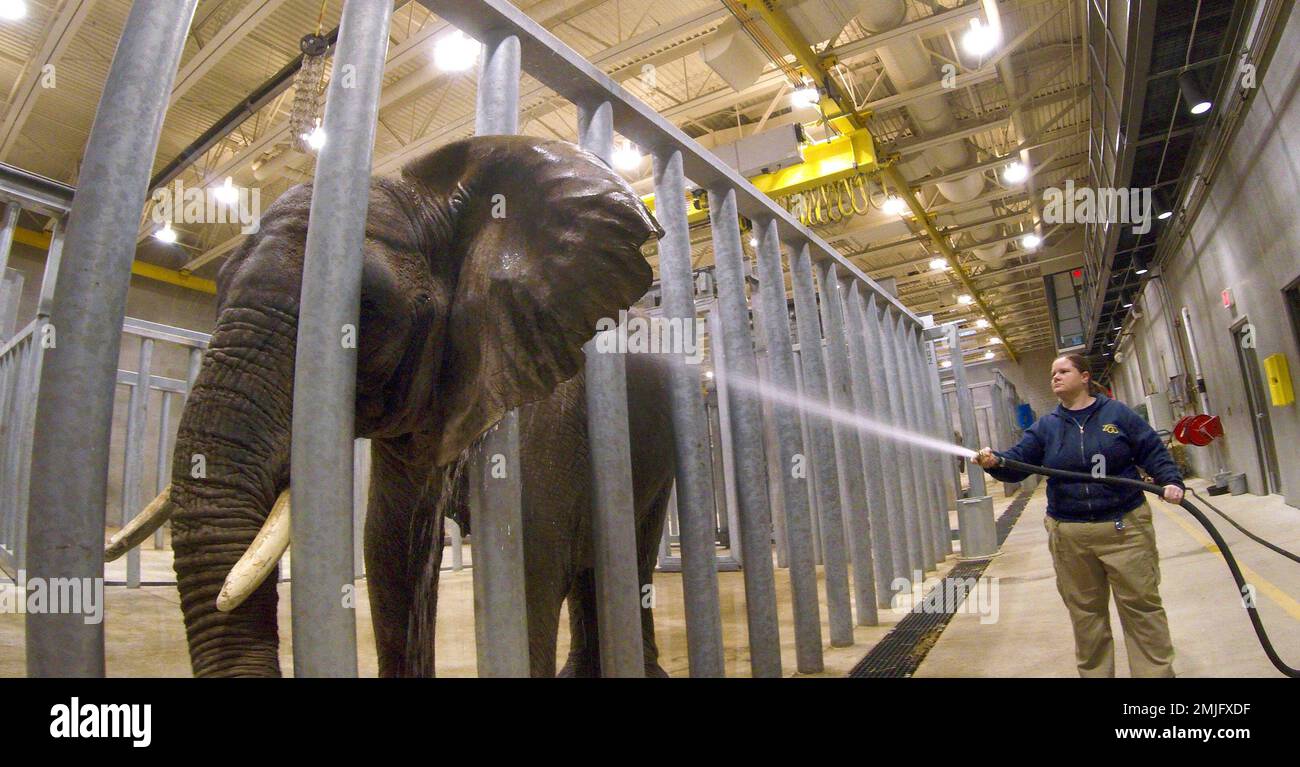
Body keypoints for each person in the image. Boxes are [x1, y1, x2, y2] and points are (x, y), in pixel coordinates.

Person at [972, 353, 1184, 677]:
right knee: (1087, 617)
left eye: (1063, 370)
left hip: (1125, 529)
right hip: (1071, 536)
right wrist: (997, 461)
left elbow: (1152, 450)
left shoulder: (1117, 414)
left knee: (1142, 610)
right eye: (1052, 372)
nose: (1055, 377)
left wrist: (1170, 481)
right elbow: (1017, 463)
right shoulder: (1046, 427)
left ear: (1084, 376)